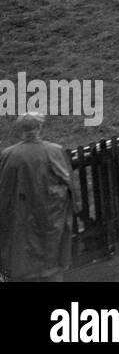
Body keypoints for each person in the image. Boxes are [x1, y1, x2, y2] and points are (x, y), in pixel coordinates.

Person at [0, 112, 74, 281]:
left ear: (20, 130)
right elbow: (68, 185)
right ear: (40, 127)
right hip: (50, 218)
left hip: (21, 218)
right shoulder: (54, 151)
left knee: (26, 267)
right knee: (53, 267)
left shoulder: (9, 155)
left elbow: (3, 191)